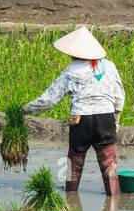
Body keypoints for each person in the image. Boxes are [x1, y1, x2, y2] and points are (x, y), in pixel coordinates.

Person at [23, 26, 125, 196]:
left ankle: (70, 200)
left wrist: (25, 109)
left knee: (74, 163)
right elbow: (119, 96)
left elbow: (49, 99)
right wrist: (116, 119)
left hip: (81, 121)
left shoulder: (71, 71)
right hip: (105, 120)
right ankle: (113, 205)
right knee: (109, 163)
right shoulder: (109, 66)